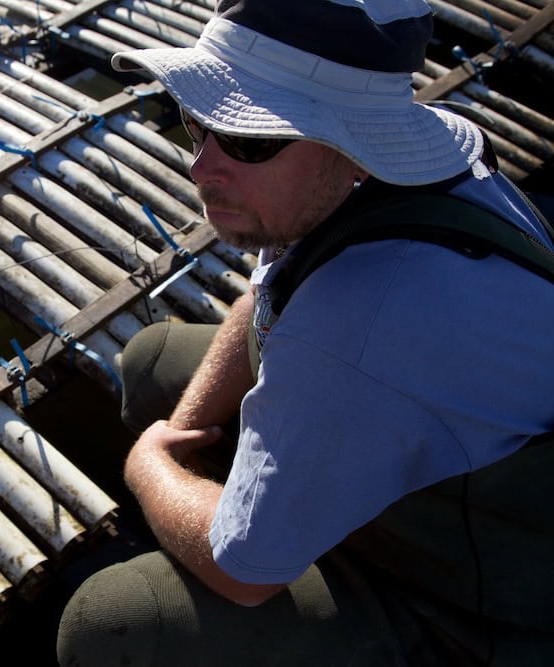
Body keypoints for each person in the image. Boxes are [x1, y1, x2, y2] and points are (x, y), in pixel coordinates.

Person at [56, 0, 554, 665]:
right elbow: (272, 283)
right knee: (149, 364)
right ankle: (295, 506)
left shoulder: (357, 329)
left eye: (251, 138)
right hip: (389, 414)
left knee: (103, 624)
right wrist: (186, 432)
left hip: (469, 592)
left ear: (351, 144)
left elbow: (245, 570)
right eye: (197, 120)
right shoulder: (365, 176)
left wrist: (151, 466)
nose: (200, 168)